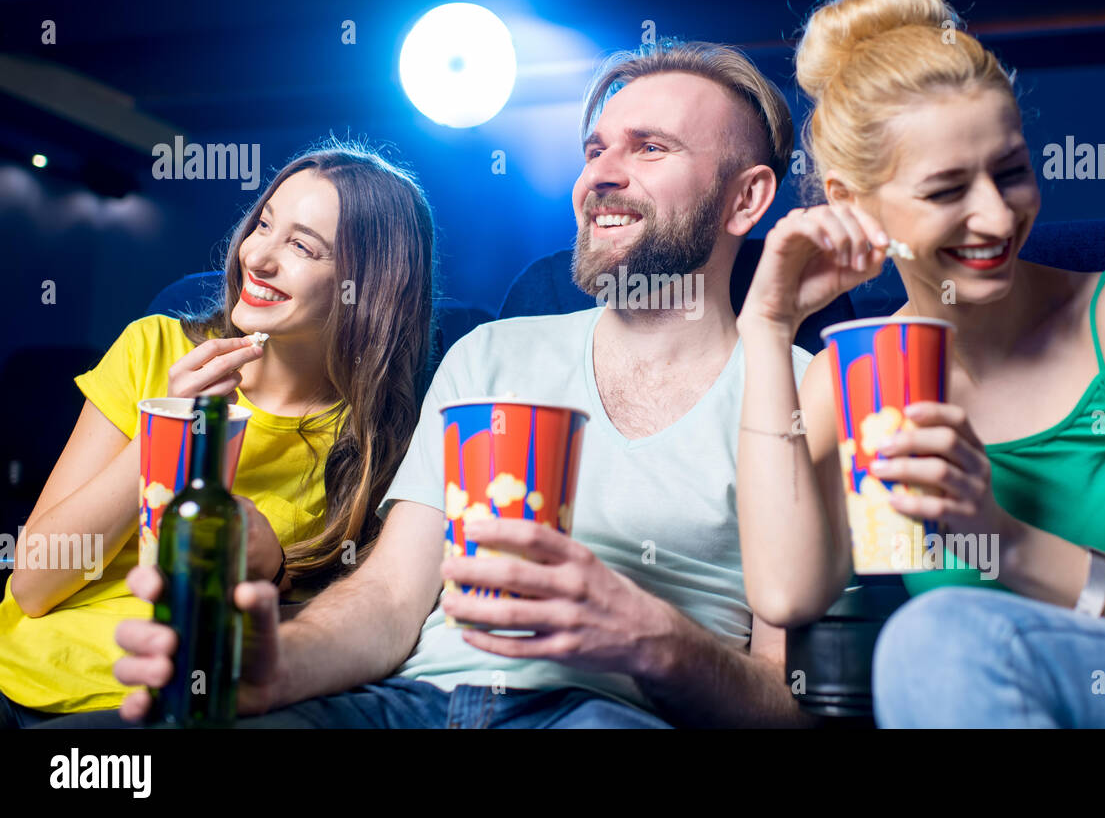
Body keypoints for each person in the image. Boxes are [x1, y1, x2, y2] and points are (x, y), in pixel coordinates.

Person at [45, 40, 816, 730]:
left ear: (745, 198)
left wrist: (649, 637)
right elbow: (386, 599)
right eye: (594, 149)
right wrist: (271, 664)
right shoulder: (491, 353)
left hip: (605, 712)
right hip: (406, 704)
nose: (602, 175)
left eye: (650, 148)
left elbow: (789, 702)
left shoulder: (803, 392)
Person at [734, 0, 1105, 727]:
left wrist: (998, 535)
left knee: (935, 637)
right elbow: (786, 593)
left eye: (1010, 171)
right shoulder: (855, 374)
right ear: (852, 202)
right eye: (947, 190)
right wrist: (768, 330)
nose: (997, 215)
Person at [1, 140, 437, 727]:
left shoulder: (380, 440)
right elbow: (32, 585)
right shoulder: (152, 348)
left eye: (303, 246)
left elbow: (352, 627)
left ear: (371, 287)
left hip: (158, 706)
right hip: (18, 674)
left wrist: (277, 570)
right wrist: (171, 429)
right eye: (263, 224)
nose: (258, 257)